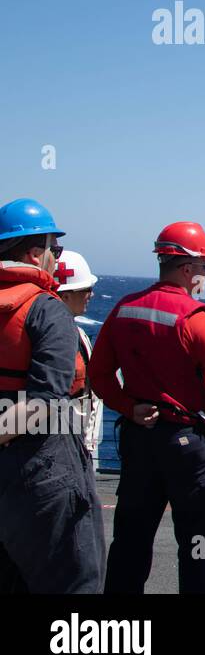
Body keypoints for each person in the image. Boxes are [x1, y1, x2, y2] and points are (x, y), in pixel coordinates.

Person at [89, 221, 205, 594]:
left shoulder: (124, 308)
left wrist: (129, 407)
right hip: (185, 448)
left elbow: (100, 375)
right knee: (197, 547)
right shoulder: (194, 319)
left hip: (139, 442)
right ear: (188, 268)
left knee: (130, 544)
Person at [0, 198, 105, 593]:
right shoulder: (47, 309)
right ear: (35, 252)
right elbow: (45, 400)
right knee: (76, 580)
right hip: (42, 465)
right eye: (53, 250)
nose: (54, 259)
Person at [55, 250, 104, 471]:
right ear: (65, 295)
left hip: (79, 443)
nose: (91, 295)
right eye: (86, 289)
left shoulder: (79, 335)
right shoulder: (61, 338)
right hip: (65, 448)